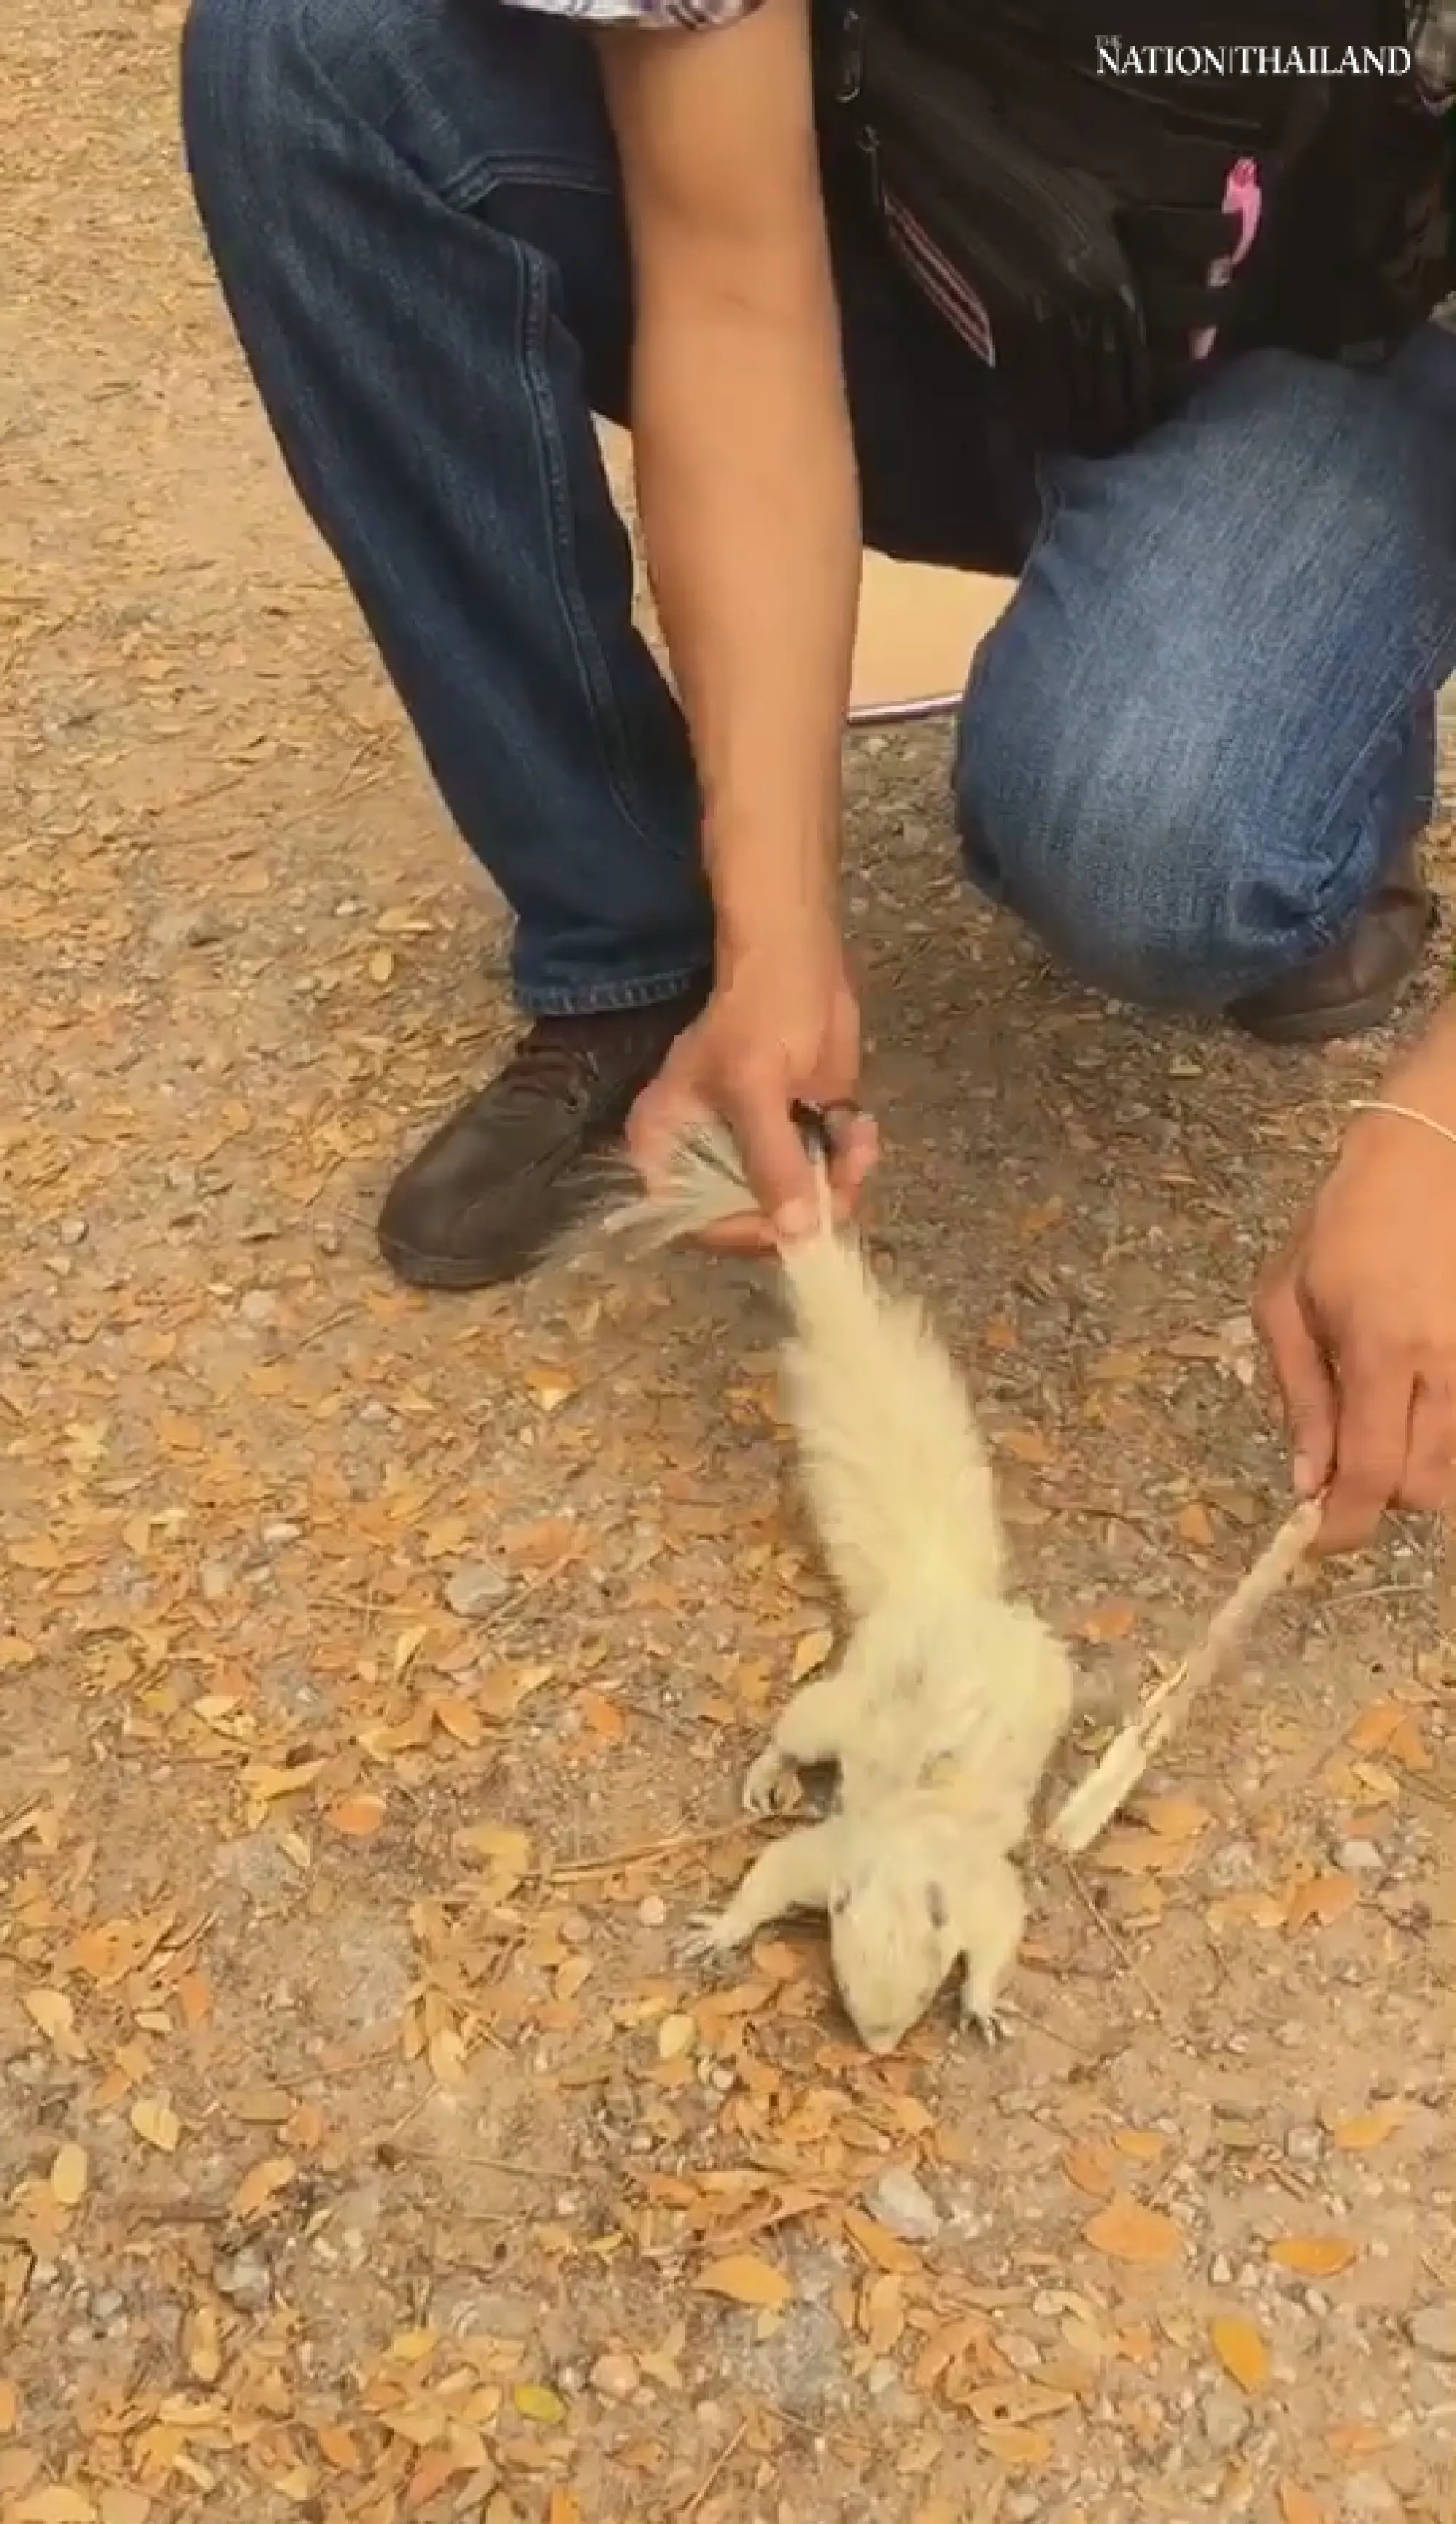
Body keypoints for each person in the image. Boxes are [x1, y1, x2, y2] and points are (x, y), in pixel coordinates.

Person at [181, 0, 1456, 1551]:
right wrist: (769, 929)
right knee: (316, 55)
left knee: (1159, 839)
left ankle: (1316, 736)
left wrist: (1443, 1130)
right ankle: (637, 949)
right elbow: (730, 289)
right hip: (923, 228)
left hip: (1306, 330)